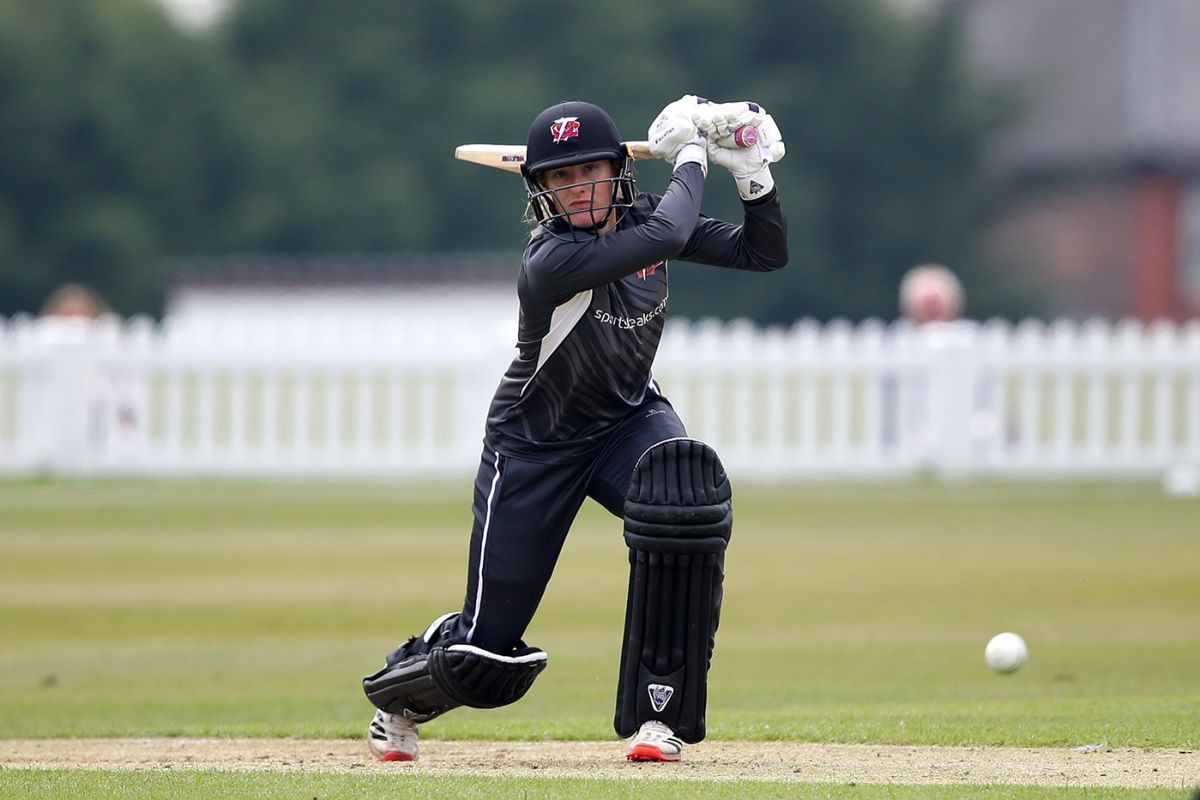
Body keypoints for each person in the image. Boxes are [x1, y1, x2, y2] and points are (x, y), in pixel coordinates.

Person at [362, 96, 788, 763]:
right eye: (559, 179)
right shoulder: (551, 259)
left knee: (687, 504)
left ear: (618, 171)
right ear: (540, 192)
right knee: (486, 653)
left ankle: (659, 716)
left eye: (588, 170)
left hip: (626, 421)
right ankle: (402, 696)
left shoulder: (649, 215)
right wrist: (696, 156)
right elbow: (669, 236)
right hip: (535, 444)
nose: (576, 189)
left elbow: (763, 254)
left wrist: (753, 177)